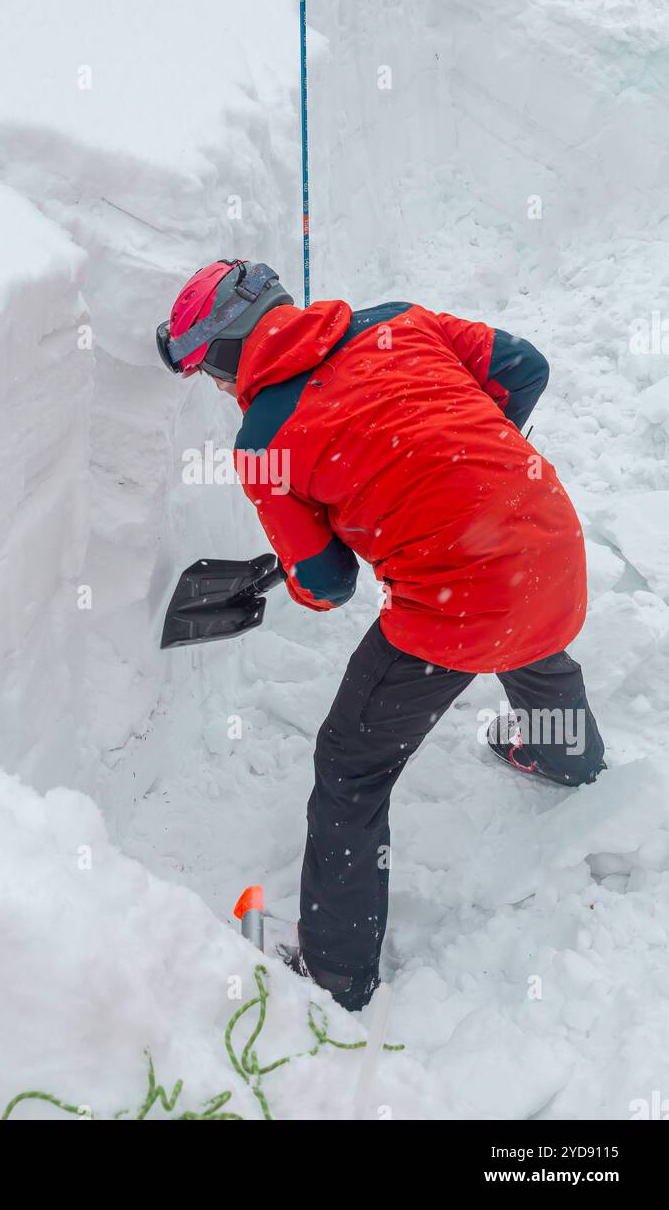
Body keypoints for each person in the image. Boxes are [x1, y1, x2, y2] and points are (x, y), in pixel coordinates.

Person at [156, 259, 605, 1011]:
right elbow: (526, 365)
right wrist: (474, 464)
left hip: (460, 605)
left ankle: (334, 970)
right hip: (553, 545)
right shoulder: (398, 318)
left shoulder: (265, 437)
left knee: (350, 768)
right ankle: (568, 756)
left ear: (231, 354)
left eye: (209, 373)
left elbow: (329, 585)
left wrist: (311, 564)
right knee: (521, 615)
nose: (221, 390)